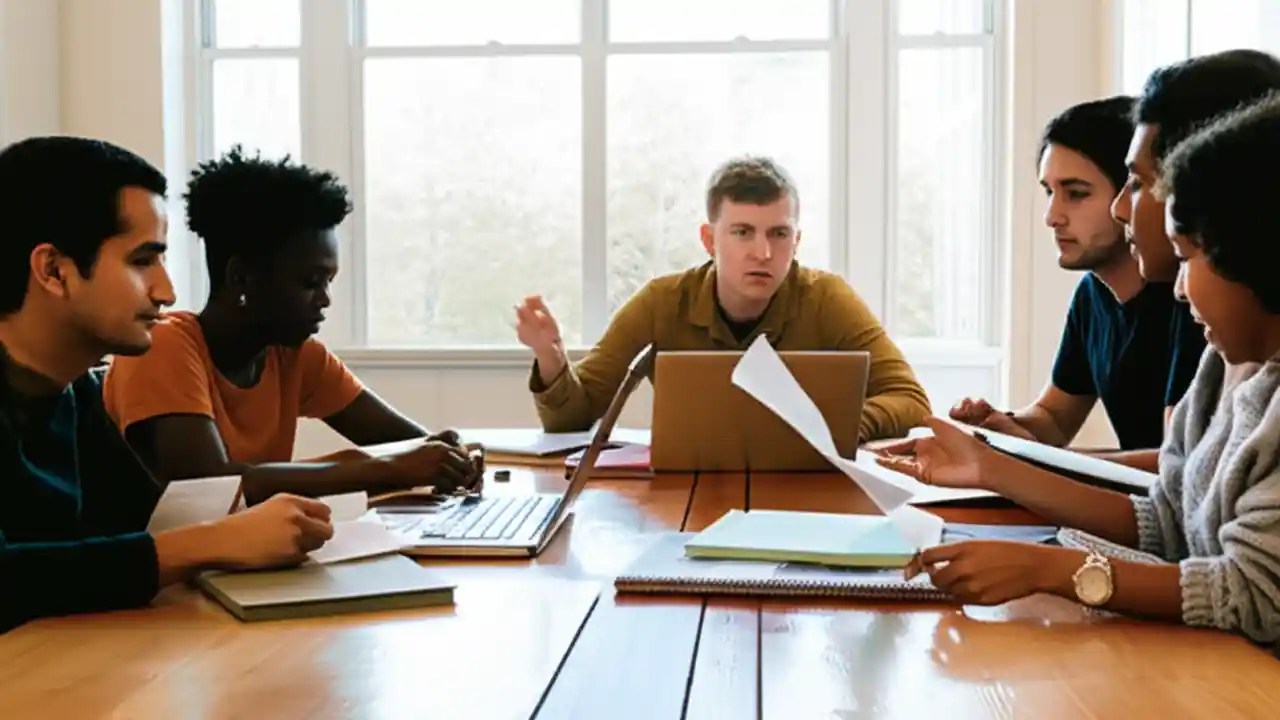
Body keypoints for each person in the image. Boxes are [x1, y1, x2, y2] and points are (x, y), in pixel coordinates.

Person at [881, 91, 1280, 651]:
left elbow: (1255, 592)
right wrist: (992, 464)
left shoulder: (1211, 336)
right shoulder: (1225, 359)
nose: (1183, 286)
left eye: (1190, 255)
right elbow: (1167, 517)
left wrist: (1055, 570)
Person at [0, 136, 335, 633]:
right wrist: (212, 542)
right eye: (142, 261)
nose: (167, 291)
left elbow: (142, 523)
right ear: (54, 270)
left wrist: (249, 534)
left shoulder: (73, 392)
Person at [104, 147, 480, 504]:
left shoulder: (295, 355)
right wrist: (380, 469)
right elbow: (211, 487)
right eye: (309, 282)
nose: (324, 299)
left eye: (328, 282)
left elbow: (404, 445)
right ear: (241, 278)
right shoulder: (163, 344)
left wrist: (443, 452)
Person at [515, 156, 931, 443]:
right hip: (685, 496)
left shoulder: (827, 297)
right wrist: (551, 357)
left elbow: (910, 400)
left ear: (796, 240)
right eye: (742, 232)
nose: (763, 253)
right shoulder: (662, 302)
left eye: (779, 234)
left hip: (804, 491)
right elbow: (571, 419)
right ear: (709, 239)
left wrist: (829, 427)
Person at [950, 97, 1203, 465]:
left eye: (1076, 194)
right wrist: (1000, 426)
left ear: (1131, 192)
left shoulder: (1190, 297)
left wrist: (1040, 460)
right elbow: (1053, 418)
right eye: (1049, 192)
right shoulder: (1093, 293)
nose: (1052, 217)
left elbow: (1180, 464)